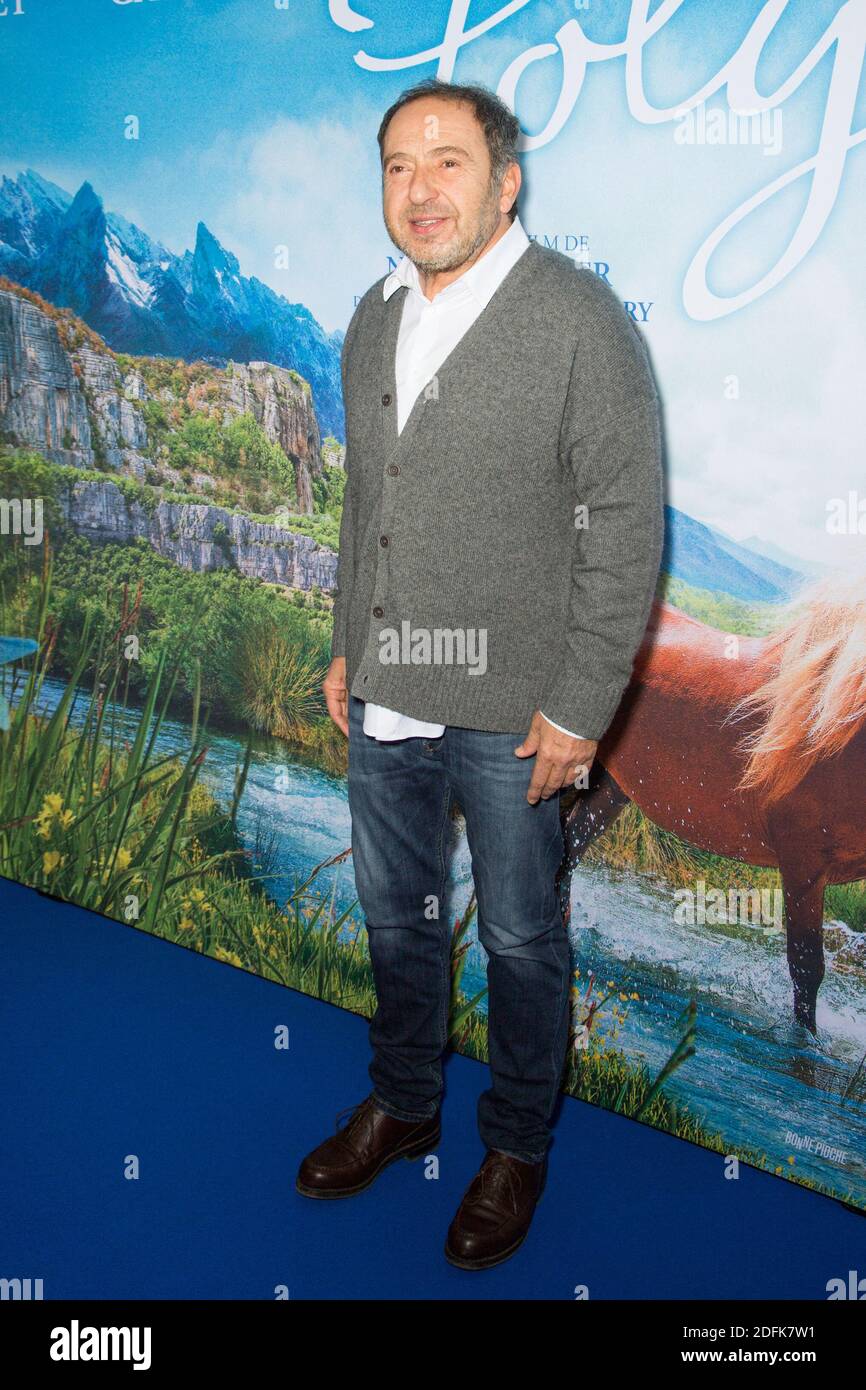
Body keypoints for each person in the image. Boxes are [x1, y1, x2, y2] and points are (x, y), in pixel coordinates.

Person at [295, 76, 665, 1271]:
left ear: (506, 181)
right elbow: (369, 501)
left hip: (519, 712)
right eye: (398, 165)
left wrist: (579, 705)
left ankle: (513, 1145)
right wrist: (352, 637)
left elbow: (623, 521)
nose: (419, 188)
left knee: (516, 938)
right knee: (394, 922)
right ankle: (404, 1107)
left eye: (447, 161)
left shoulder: (578, 319)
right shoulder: (370, 315)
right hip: (389, 687)